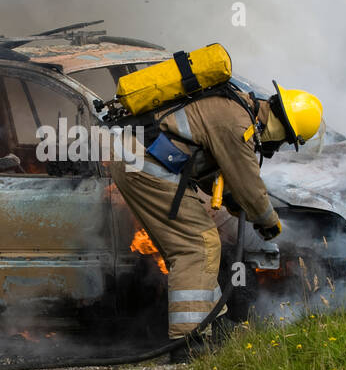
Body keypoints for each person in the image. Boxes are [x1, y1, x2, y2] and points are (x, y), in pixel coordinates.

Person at [109, 77, 322, 349]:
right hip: (145, 166)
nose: (277, 147)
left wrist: (234, 203)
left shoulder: (236, 108)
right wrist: (269, 222)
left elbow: (214, 169)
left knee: (202, 246)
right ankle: (188, 342)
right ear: (283, 127)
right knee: (197, 247)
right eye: (285, 141)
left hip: (139, 160)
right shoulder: (238, 124)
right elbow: (249, 186)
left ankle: (216, 324)